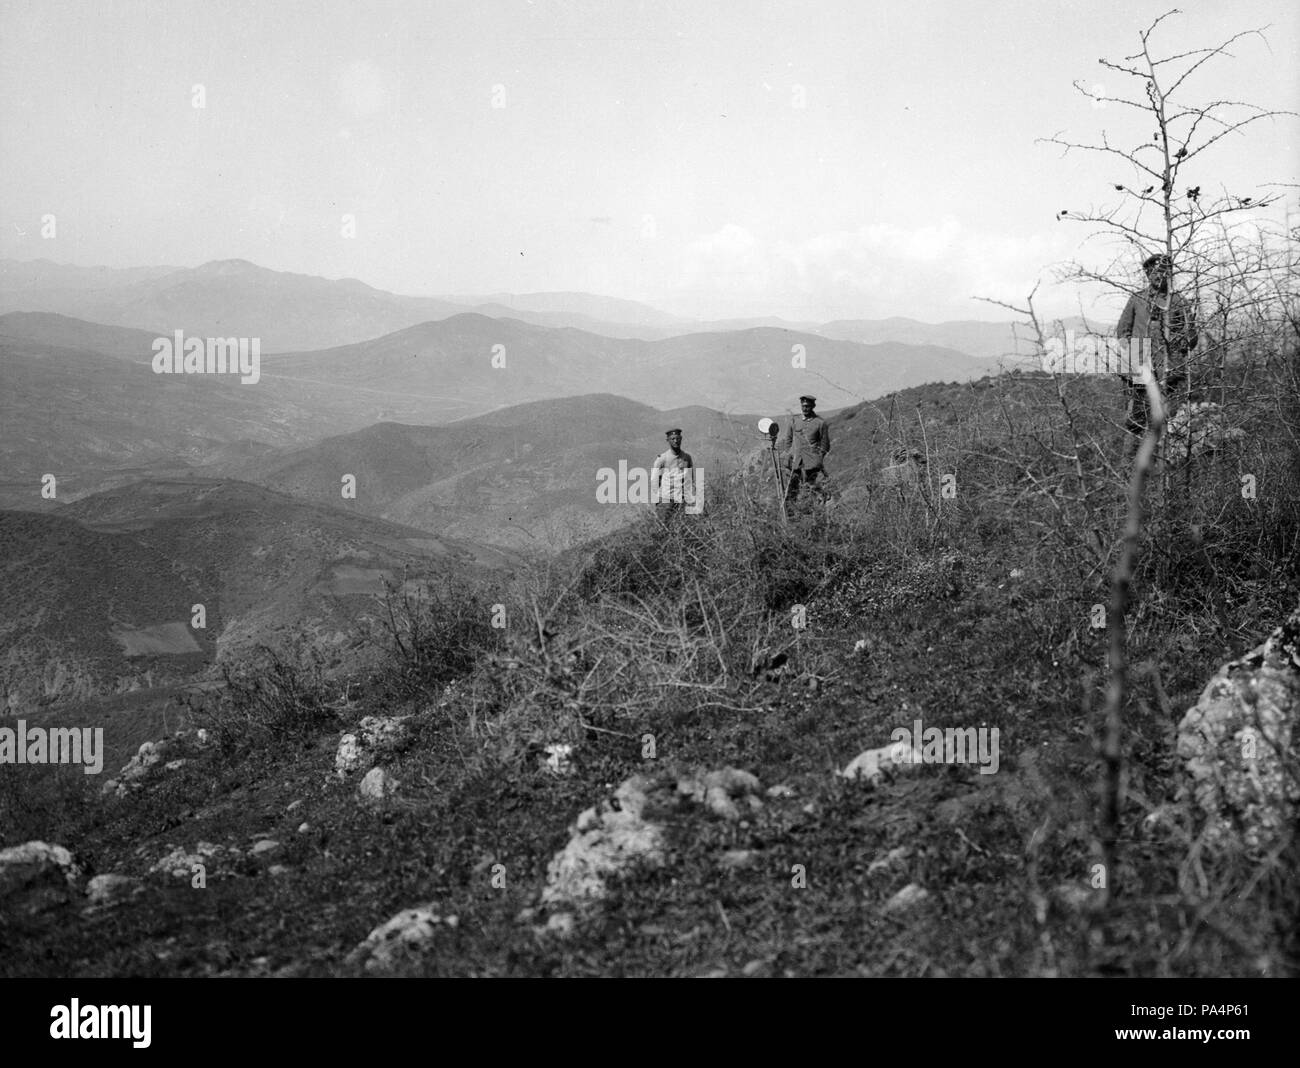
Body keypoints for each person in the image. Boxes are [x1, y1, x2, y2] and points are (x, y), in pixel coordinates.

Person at [1116, 253, 1199, 439]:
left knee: (1167, 421)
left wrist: (1179, 344)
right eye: (1153, 273)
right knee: (1136, 422)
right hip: (1140, 370)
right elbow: (1122, 331)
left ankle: (1164, 461)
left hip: (1169, 370)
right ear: (1147, 275)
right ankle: (1131, 464)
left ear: (1169, 274)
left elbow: (1191, 340)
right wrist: (1133, 354)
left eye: (1163, 272)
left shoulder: (1179, 302)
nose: (1158, 276)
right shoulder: (1137, 299)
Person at [778, 395, 831, 515]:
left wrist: (818, 459)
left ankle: (809, 513)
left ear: (813, 406)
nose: (805, 408)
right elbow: (788, 440)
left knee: (809, 488)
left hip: (811, 463)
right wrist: (789, 453)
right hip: (795, 461)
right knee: (792, 488)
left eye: (807, 406)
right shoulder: (794, 421)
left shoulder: (820, 423)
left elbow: (825, 445)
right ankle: (789, 514)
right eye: (803, 406)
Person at [651, 427, 694, 522]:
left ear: (681, 439)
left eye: (678, 438)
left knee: (681, 528)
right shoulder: (662, 458)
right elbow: (654, 479)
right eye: (673, 439)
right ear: (668, 440)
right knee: (663, 528)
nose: (676, 441)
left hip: (681, 501)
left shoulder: (687, 457)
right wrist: (659, 498)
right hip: (666, 500)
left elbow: (690, 479)